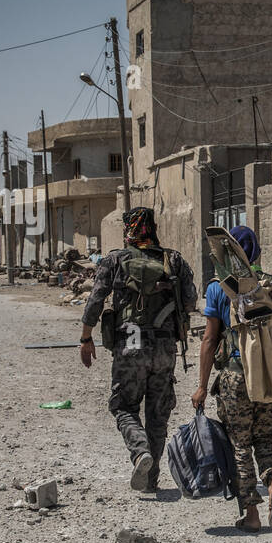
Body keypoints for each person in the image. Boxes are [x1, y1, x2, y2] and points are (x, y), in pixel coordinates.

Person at [191, 225, 272, 530]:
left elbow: (210, 340)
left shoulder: (219, 288)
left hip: (236, 377)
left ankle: (251, 515)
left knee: (239, 444)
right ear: (257, 252)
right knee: (267, 437)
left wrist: (202, 386)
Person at [79, 207, 196, 493]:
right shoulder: (173, 260)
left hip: (130, 342)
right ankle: (151, 478)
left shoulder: (115, 260)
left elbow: (95, 301)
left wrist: (85, 338)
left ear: (128, 230)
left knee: (124, 406)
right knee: (158, 413)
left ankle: (140, 451)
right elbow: (191, 300)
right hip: (165, 344)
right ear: (153, 227)